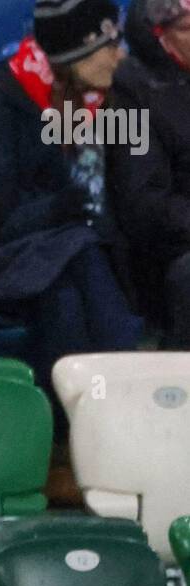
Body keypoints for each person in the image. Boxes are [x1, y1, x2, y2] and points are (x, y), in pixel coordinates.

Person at [0, 0, 142, 422]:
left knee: (76, 268)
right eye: (108, 45)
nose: (120, 55)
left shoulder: (103, 105)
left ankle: (81, 432)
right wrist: (62, 209)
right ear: (74, 54)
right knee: (75, 262)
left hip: (73, 264)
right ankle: (118, 418)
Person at [108, 0, 190, 344]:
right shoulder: (127, 91)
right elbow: (144, 207)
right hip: (167, 254)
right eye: (186, 29)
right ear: (160, 35)